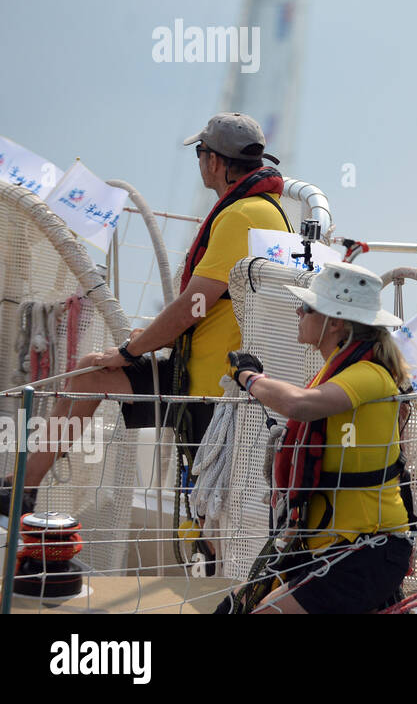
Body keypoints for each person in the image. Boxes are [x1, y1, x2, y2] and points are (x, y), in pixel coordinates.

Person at [1, 113, 292, 517]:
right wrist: (152, 339)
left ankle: (21, 489)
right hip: (205, 370)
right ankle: (22, 487)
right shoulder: (267, 211)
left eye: (200, 153)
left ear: (215, 162)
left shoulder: (241, 215)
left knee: (210, 518)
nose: (200, 161)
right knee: (87, 373)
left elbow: (197, 303)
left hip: (212, 385)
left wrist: (131, 348)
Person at [226, 261, 415, 614]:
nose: (299, 310)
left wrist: (249, 378)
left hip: (369, 550)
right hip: (326, 546)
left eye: (308, 307)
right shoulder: (337, 370)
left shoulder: (369, 374)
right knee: (233, 608)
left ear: (337, 322)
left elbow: (299, 405)